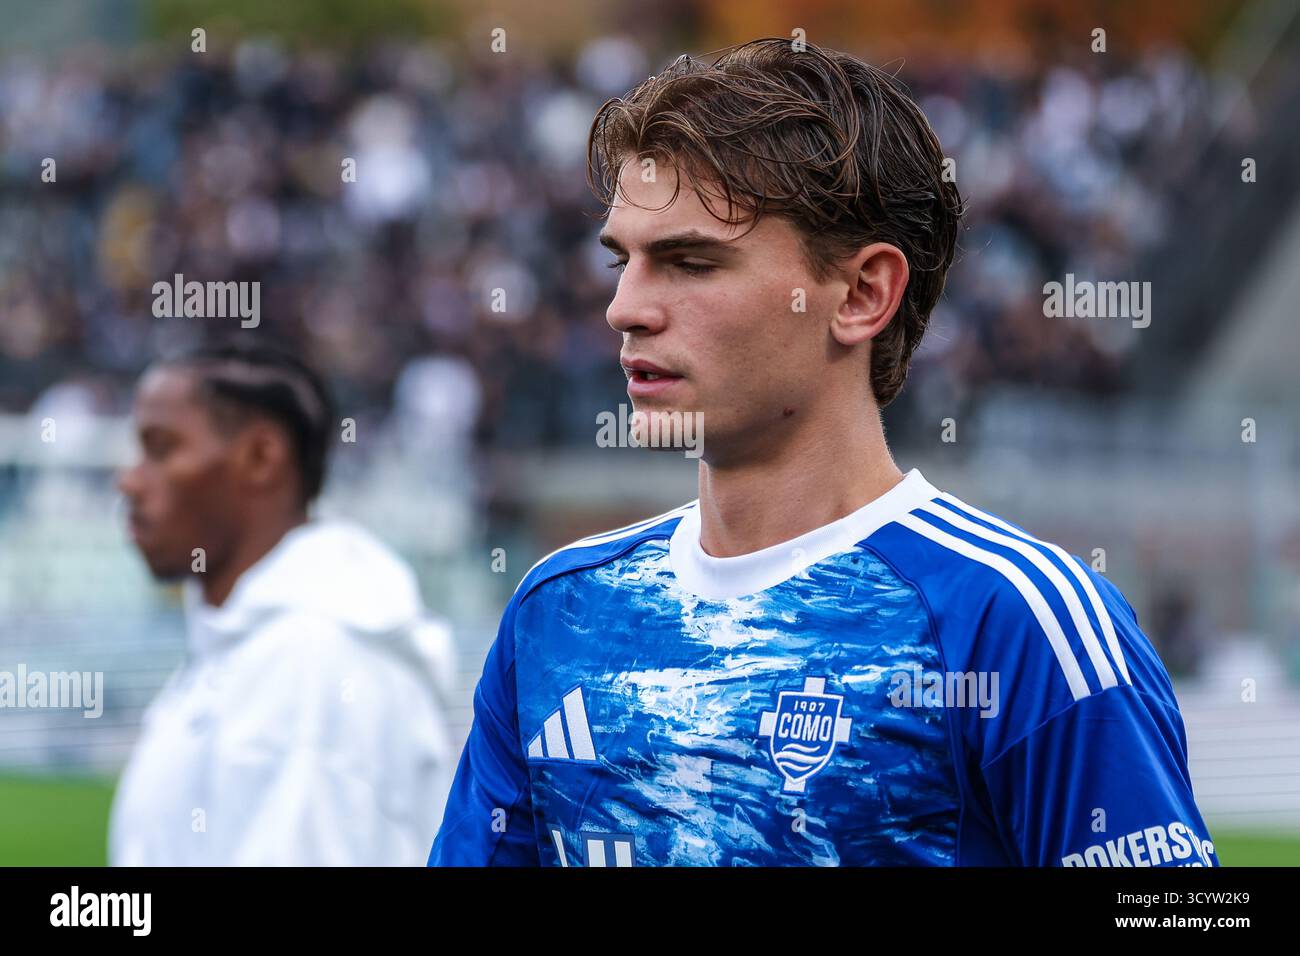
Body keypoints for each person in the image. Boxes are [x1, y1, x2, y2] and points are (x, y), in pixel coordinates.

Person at [429, 38, 1217, 867]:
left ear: (863, 293)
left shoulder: (1017, 622)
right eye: (623, 261)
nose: (624, 309)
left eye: (691, 261)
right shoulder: (556, 611)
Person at [112, 342, 455, 865]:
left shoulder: (316, 661)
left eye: (161, 449)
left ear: (261, 457)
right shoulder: (256, 645)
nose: (129, 481)